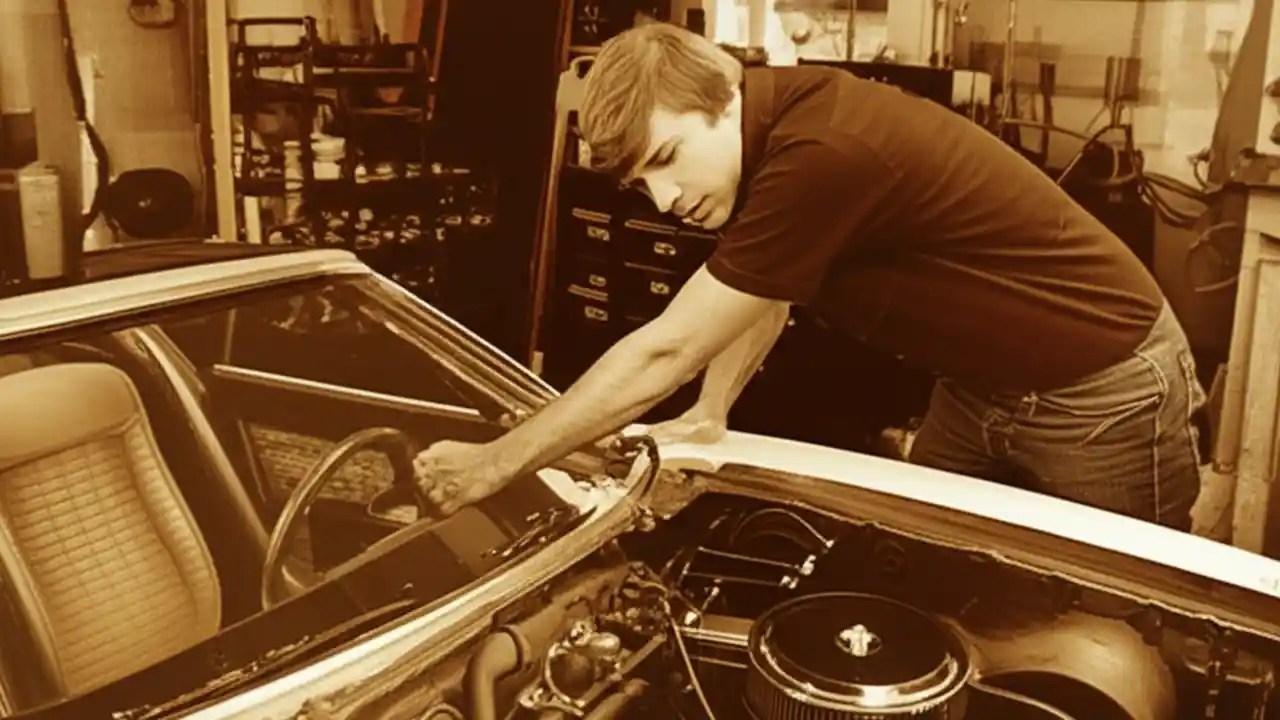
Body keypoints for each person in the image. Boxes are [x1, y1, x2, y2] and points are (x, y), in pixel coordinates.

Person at [414, 22, 1205, 530]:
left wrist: (499, 460)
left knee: (1121, 620)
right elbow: (762, 291)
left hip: (1102, 383)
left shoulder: (823, 152)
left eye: (666, 159)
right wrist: (712, 410)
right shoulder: (767, 141)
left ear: (723, 95)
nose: (663, 199)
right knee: (924, 564)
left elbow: (666, 349)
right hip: (979, 388)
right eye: (639, 185)